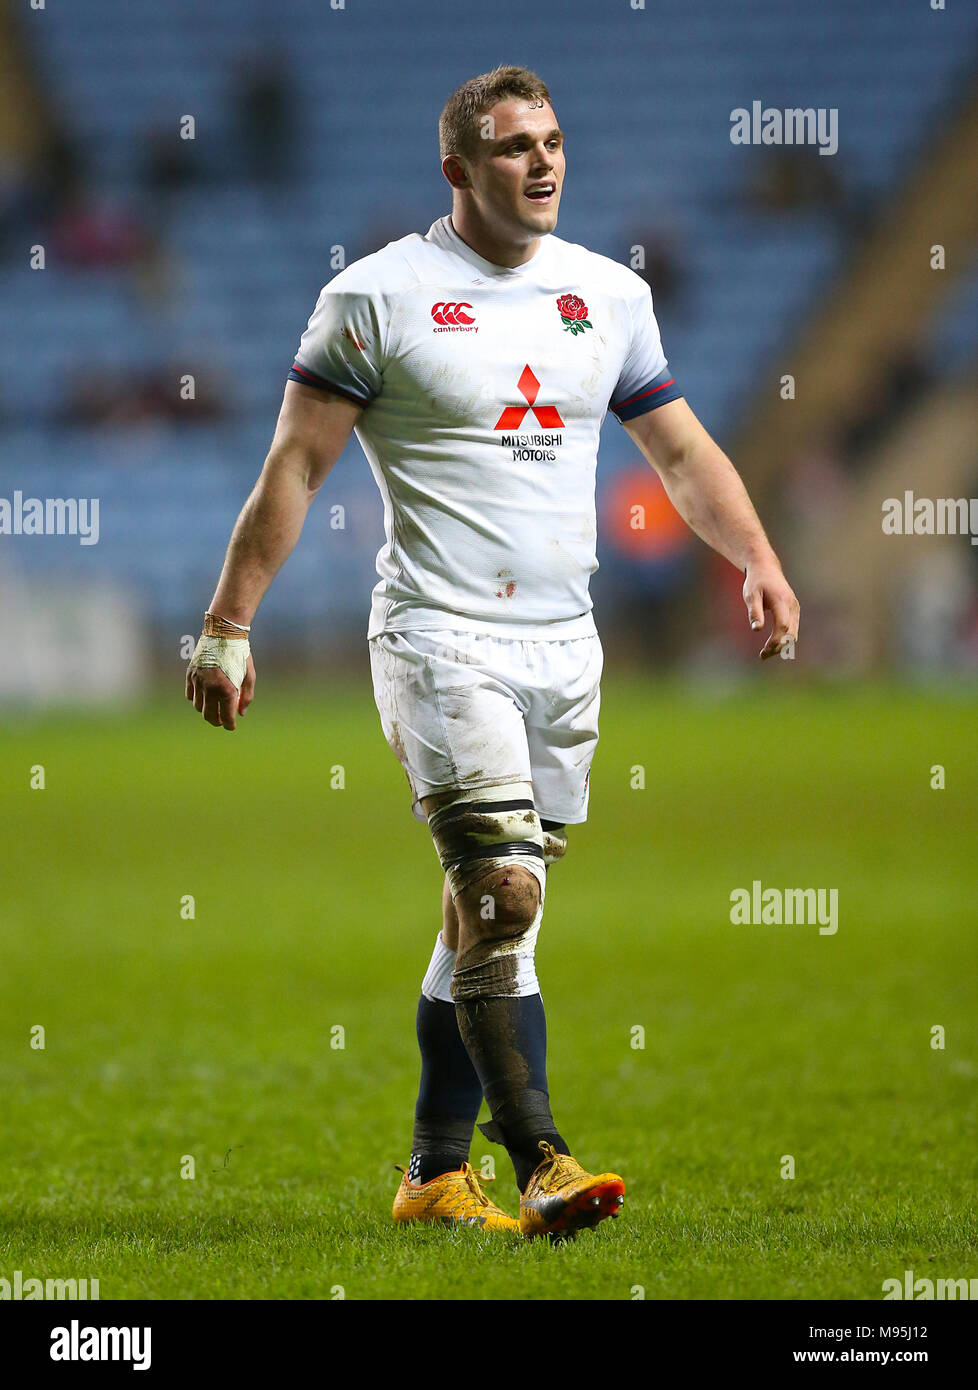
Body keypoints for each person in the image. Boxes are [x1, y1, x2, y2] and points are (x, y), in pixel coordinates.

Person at [185, 66, 800, 1241]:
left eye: (555, 141)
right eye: (514, 147)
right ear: (458, 170)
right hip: (437, 637)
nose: (544, 164)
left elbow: (680, 453)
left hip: (566, 647)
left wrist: (757, 558)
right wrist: (226, 622)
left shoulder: (607, 295)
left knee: (483, 925)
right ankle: (545, 1163)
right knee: (502, 893)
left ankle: (429, 1173)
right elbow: (297, 468)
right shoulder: (377, 298)